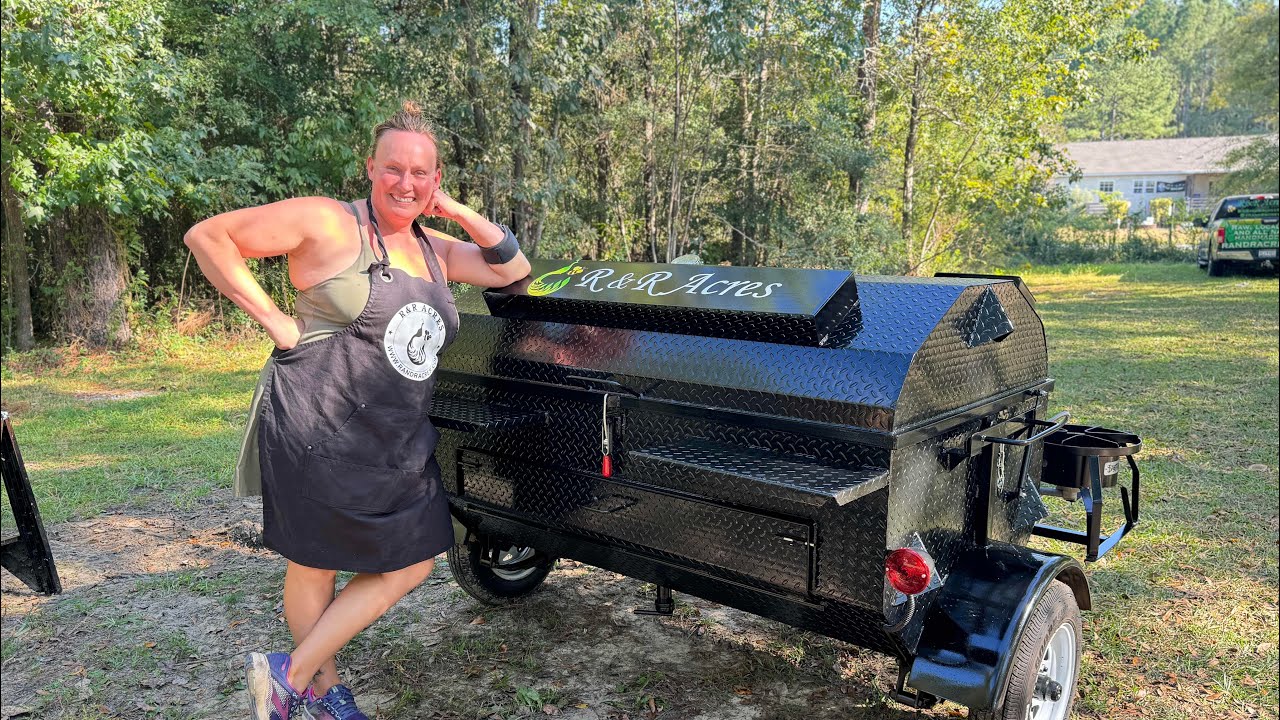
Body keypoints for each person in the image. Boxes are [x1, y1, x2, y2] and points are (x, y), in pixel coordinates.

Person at [184, 101, 530, 720]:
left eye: (421, 173)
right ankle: (321, 692)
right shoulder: (327, 221)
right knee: (315, 564)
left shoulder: (435, 249)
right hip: (318, 418)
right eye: (393, 168)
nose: (406, 183)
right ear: (369, 168)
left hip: (396, 429)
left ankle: (287, 676)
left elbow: (515, 271)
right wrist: (275, 321)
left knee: (414, 559)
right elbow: (208, 236)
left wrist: (452, 210)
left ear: (436, 179)